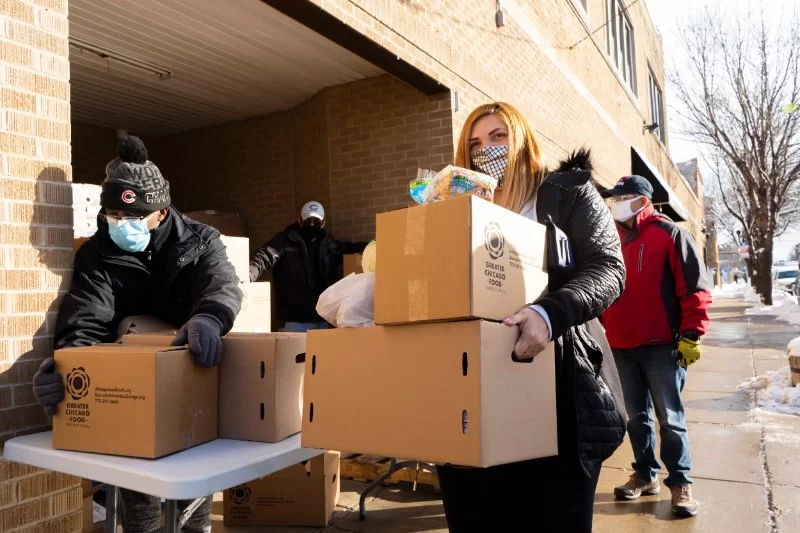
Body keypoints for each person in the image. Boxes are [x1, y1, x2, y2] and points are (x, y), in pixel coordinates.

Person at [31, 135, 243, 533]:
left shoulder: (199, 241)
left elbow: (221, 285)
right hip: (131, 386)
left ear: (161, 213)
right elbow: (87, 317)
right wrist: (68, 363)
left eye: (133, 218)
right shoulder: (98, 255)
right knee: (140, 499)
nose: (121, 226)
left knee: (193, 482)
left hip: (193, 364)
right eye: (113, 215)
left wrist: (210, 318)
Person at [435, 102, 627, 533]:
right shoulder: (458, 206)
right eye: (475, 143)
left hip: (560, 391)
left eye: (498, 136)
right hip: (472, 393)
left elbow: (608, 269)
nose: (487, 149)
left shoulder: (567, 193)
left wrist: (548, 313)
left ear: (522, 140)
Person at [600, 175, 712, 518]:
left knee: (671, 419)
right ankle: (646, 474)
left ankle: (680, 482)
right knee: (636, 418)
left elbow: (694, 285)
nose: (616, 203)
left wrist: (692, 333)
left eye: (623, 197)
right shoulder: (610, 239)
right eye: (613, 198)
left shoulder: (669, 233)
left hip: (662, 345)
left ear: (642, 199)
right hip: (621, 345)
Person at [249, 201, 367, 332]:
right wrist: (247, 275)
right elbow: (263, 257)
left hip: (322, 319)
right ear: (299, 221)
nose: (311, 224)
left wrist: (378, 243)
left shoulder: (329, 245)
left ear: (323, 223)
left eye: (315, 221)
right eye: (308, 220)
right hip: (294, 321)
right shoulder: (284, 241)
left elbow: (350, 249)